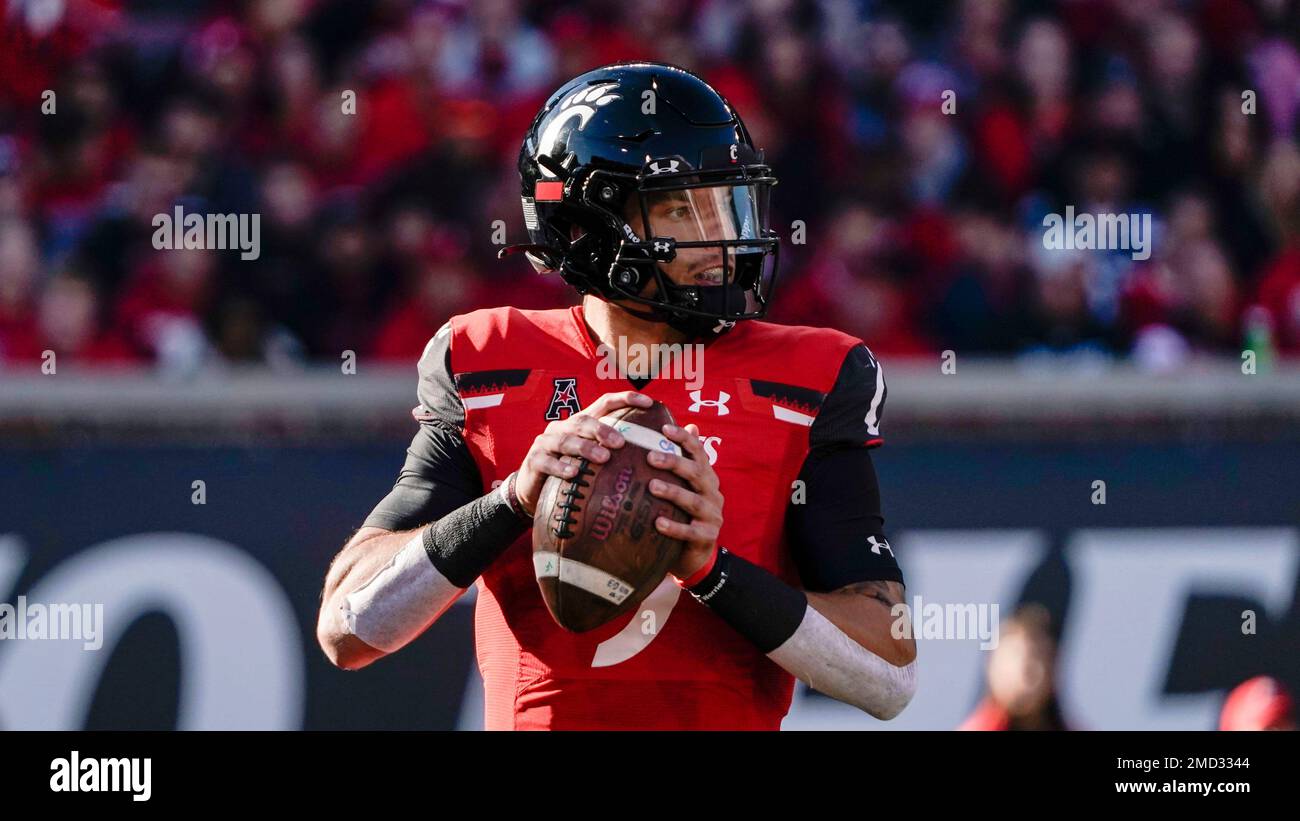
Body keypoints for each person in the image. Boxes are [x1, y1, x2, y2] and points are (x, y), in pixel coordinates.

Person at [315, 62, 916, 730]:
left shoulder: (813, 371)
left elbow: (888, 675)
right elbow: (348, 629)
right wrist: (513, 499)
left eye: (726, 199)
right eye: (682, 207)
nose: (721, 234)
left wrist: (710, 568)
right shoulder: (487, 359)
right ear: (590, 223)